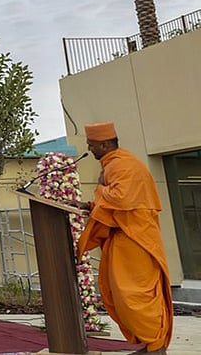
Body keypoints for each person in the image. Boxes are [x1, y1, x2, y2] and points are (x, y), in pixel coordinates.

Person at [78, 121, 172, 354]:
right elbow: (116, 204)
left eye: (92, 145)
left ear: (106, 143)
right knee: (120, 294)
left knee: (135, 295)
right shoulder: (113, 165)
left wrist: (98, 191)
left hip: (136, 239)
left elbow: (121, 200)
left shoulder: (123, 165)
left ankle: (156, 346)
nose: (90, 149)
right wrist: (89, 206)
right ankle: (151, 344)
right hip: (124, 236)